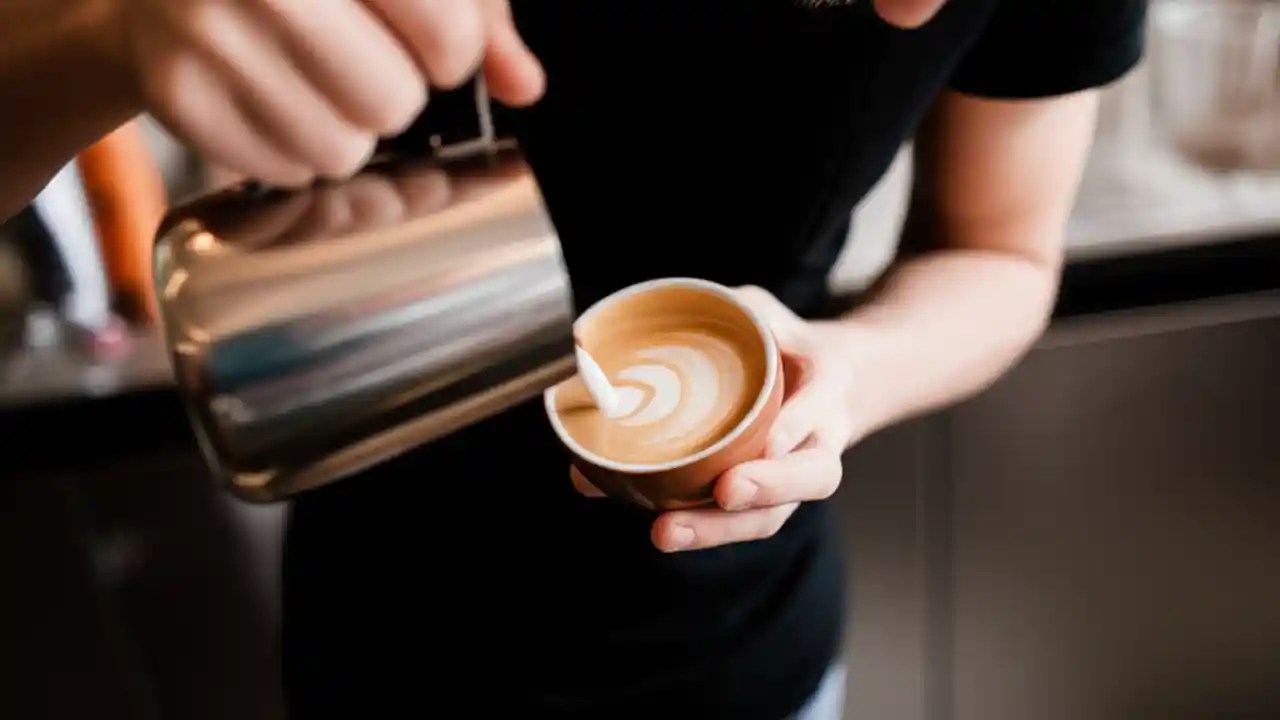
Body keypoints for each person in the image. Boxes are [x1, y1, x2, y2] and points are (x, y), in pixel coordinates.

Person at [2, 0, 1148, 717]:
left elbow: (999, 249)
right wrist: (106, 31)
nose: (901, 16)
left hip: (742, 649)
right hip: (384, 629)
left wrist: (845, 374)